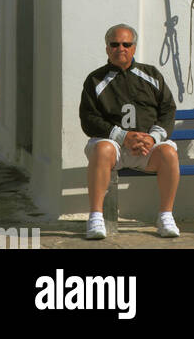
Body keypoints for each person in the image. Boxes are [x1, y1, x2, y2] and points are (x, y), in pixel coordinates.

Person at [79, 23, 180, 240]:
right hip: (114, 148)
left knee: (169, 153)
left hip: (147, 148)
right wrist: (123, 136)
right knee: (103, 148)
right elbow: (88, 119)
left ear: (134, 47)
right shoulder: (95, 80)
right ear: (107, 48)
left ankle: (165, 216)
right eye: (114, 44)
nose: (120, 48)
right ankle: (95, 217)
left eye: (126, 44)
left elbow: (168, 110)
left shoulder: (151, 74)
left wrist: (152, 138)